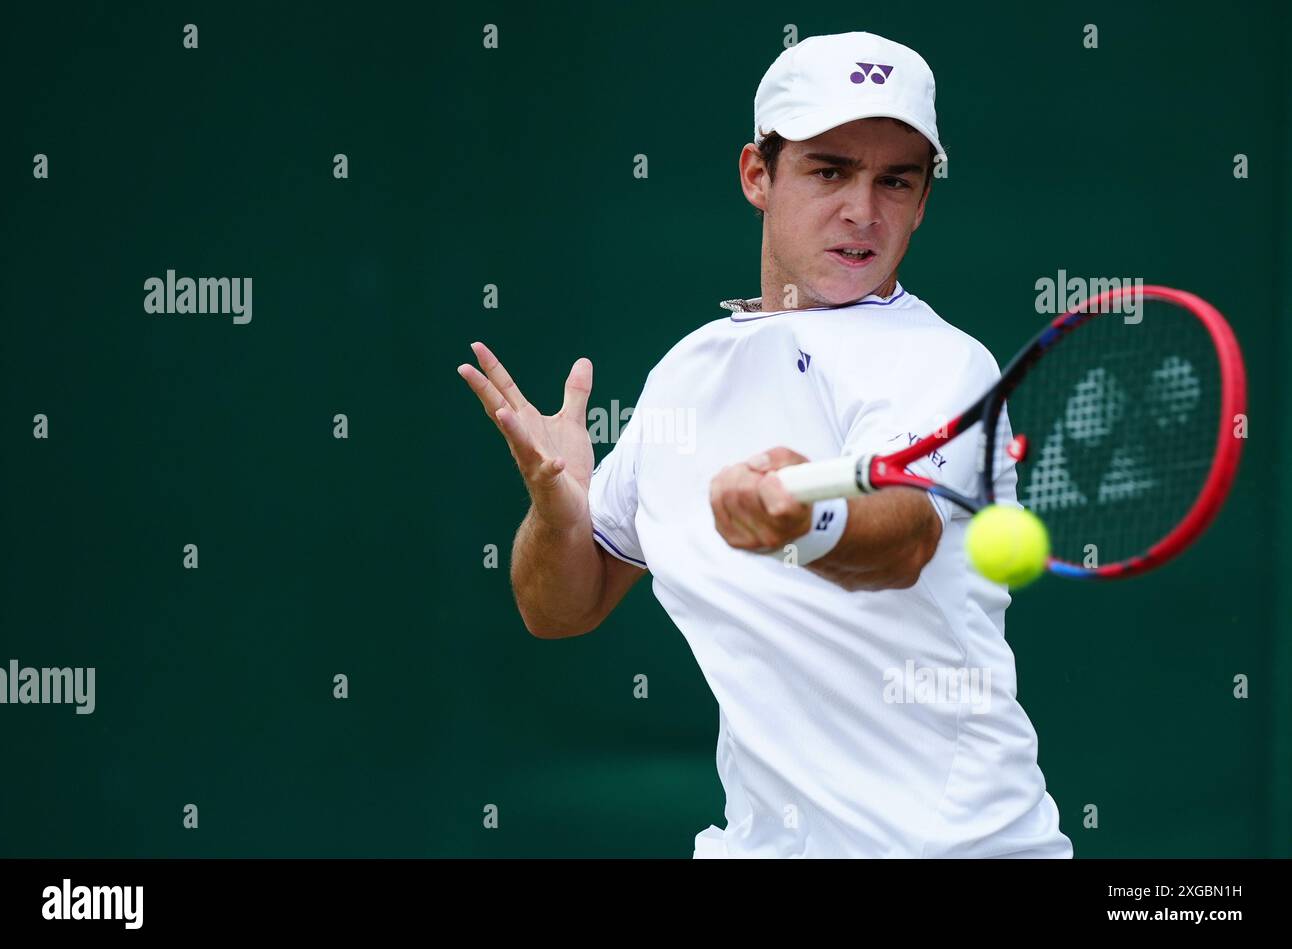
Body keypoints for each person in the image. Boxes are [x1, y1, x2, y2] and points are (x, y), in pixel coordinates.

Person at [458, 31, 1072, 859]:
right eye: (829, 170)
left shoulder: (942, 363)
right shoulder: (687, 375)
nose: (864, 209)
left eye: (897, 180)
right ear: (758, 174)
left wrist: (802, 524)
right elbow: (560, 607)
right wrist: (558, 510)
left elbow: (903, 537)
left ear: (924, 200)